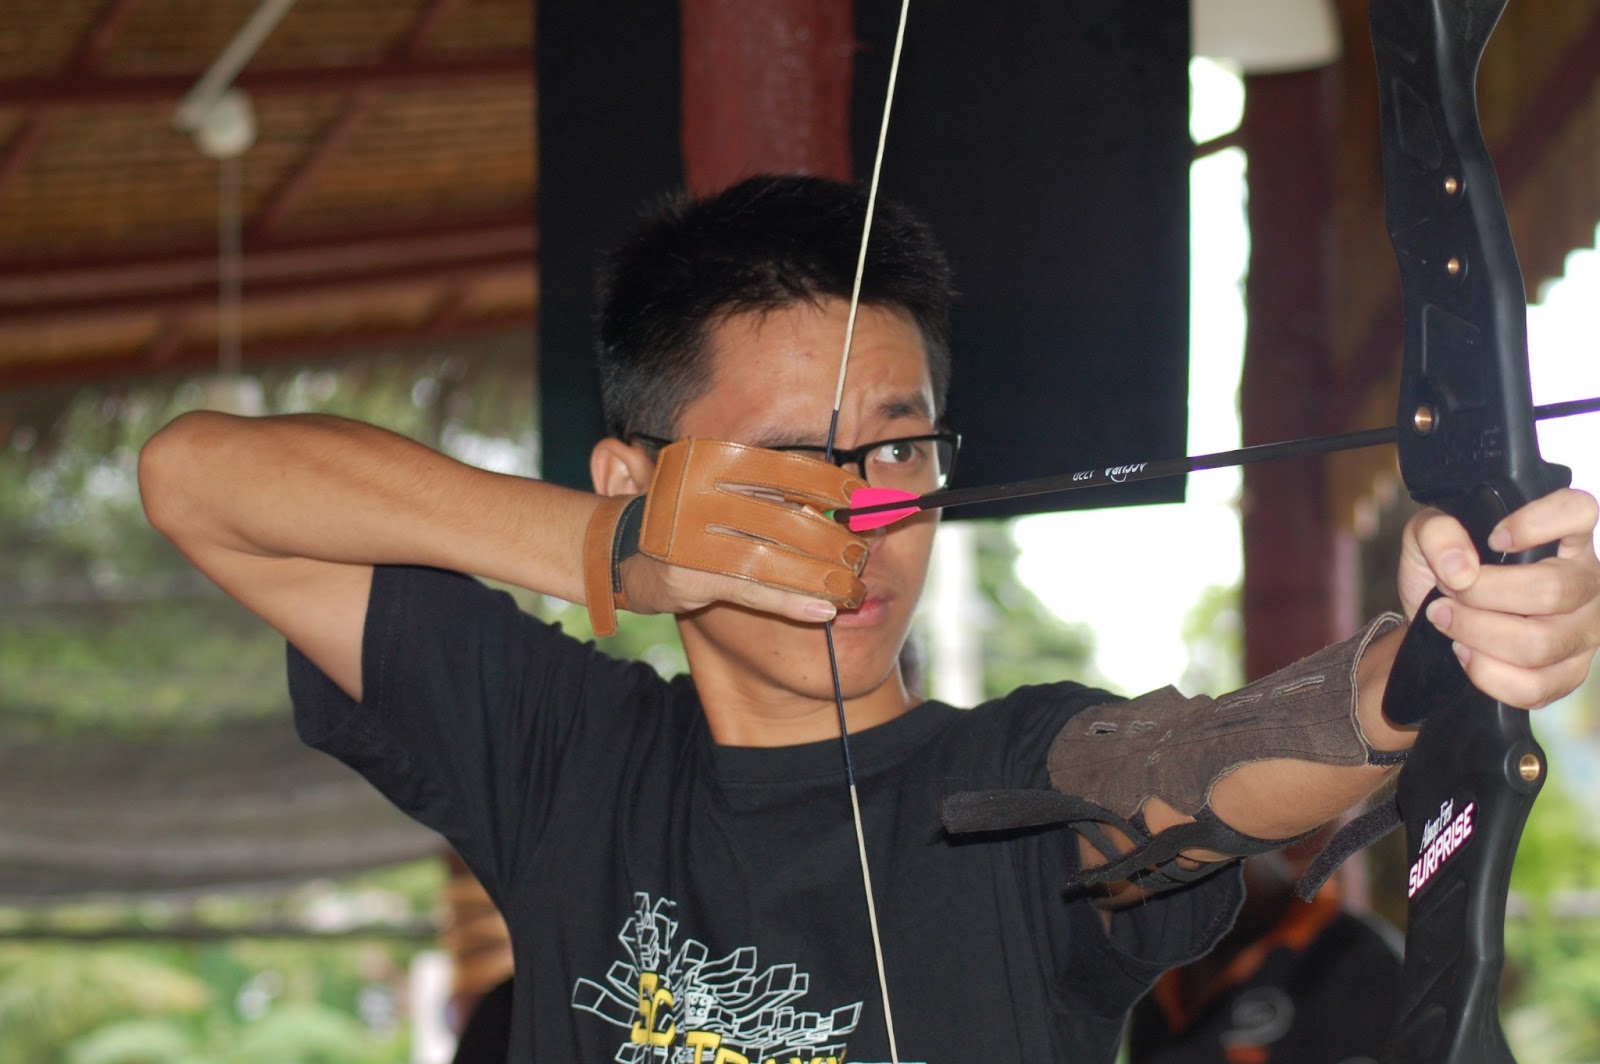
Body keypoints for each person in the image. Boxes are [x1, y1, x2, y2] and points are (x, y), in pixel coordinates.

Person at [138, 175, 1600, 1063]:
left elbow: (1189, 768)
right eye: (783, 469)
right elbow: (196, 478)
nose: (854, 514)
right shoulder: (565, 756)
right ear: (639, 479)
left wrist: (1433, 657)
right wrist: (607, 547)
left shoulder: (1013, 786)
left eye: (897, 451)